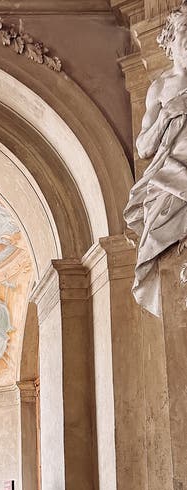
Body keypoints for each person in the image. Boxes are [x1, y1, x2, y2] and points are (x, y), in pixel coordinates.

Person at [124, 1, 187, 316]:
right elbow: (143, 148)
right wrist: (166, 116)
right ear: (171, 39)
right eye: (185, 30)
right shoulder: (160, 87)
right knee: (162, 244)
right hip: (169, 174)